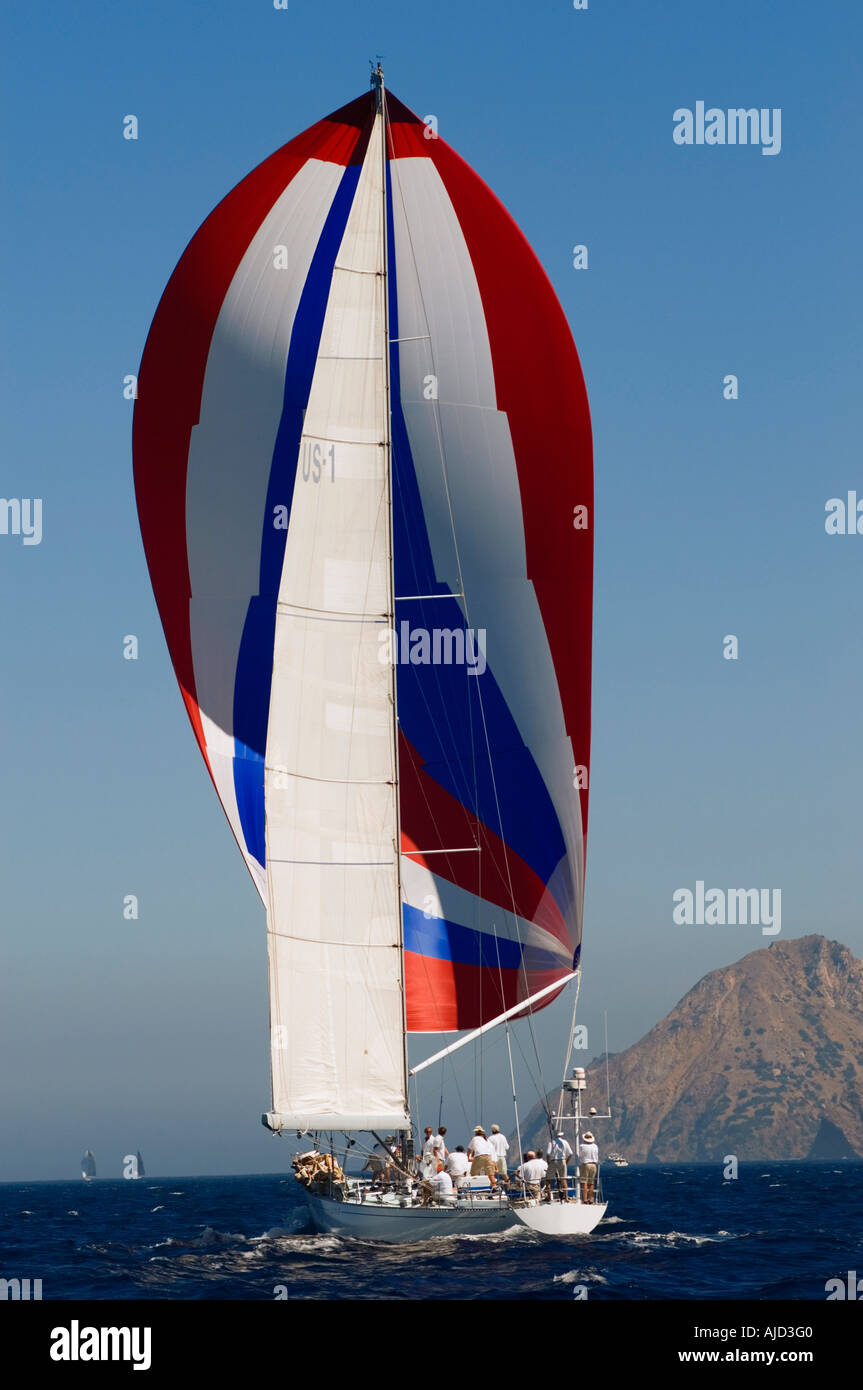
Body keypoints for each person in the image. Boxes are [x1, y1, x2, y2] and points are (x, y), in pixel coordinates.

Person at [545, 1131, 574, 1202]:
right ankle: (566, 1197)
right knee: (564, 1179)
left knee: (548, 1179)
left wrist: (548, 1162)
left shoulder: (551, 1142)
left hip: (554, 1161)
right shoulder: (565, 1142)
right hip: (563, 1161)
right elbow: (570, 1153)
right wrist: (566, 1161)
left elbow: (548, 1153)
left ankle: (548, 1197)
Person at [578, 1130, 599, 1204]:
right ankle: (591, 1199)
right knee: (591, 1183)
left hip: (586, 1164)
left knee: (584, 1183)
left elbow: (580, 1156)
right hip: (594, 1165)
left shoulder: (582, 1146)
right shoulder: (595, 1146)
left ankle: (585, 1199)